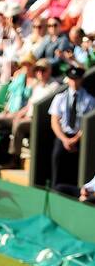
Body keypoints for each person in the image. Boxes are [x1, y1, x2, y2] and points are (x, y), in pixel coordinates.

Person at [49, 63, 95, 191]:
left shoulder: (90, 100)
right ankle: (55, 188)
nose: (74, 82)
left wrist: (76, 138)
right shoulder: (60, 98)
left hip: (80, 138)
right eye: (72, 78)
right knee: (57, 155)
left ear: (81, 79)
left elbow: (88, 123)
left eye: (77, 78)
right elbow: (55, 121)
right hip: (63, 136)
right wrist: (65, 139)